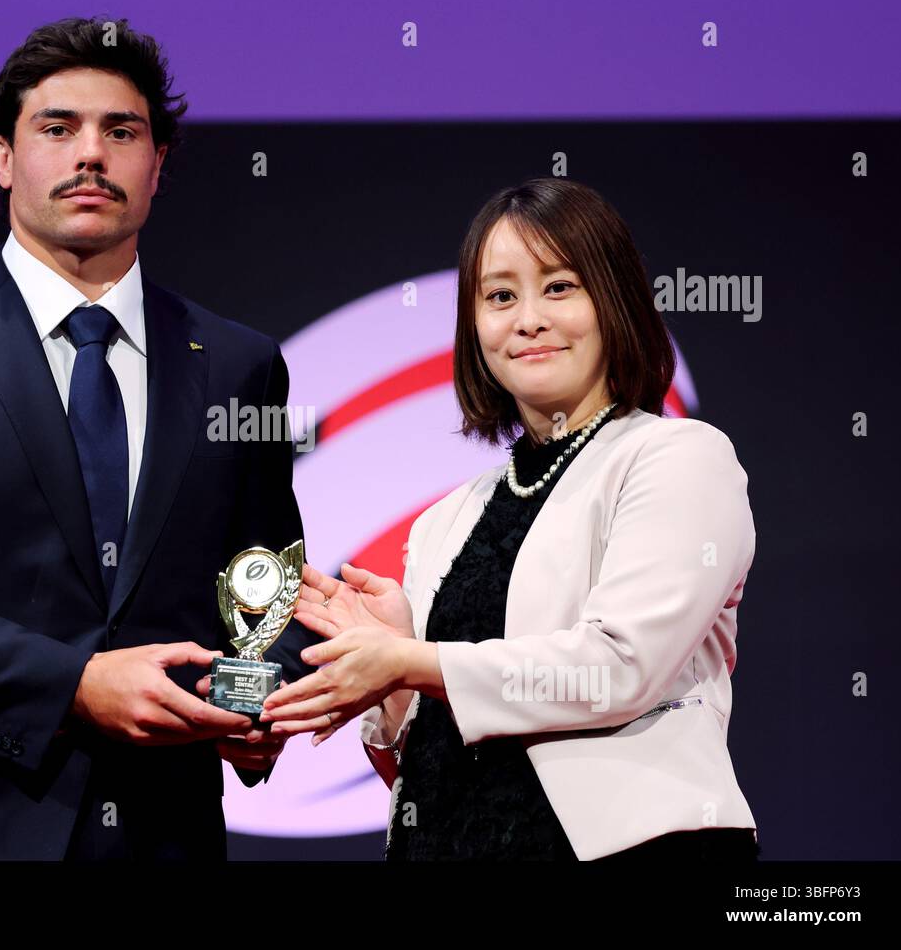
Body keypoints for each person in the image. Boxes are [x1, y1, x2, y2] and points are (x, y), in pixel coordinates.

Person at [0, 16, 317, 860]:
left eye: (122, 130)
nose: (91, 155)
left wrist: (257, 698)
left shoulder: (237, 364)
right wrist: (73, 683)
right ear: (1, 157)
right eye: (57, 127)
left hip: (159, 831)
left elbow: (262, 591)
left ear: (158, 166)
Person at [260, 177, 761, 861]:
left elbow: (617, 668)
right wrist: (399, 686)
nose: (527, 318)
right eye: (499, 296)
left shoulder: (678, 458)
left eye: (559, 287)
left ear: (614, 301)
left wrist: (411, 659)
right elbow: (424, 770)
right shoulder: (445, 521)